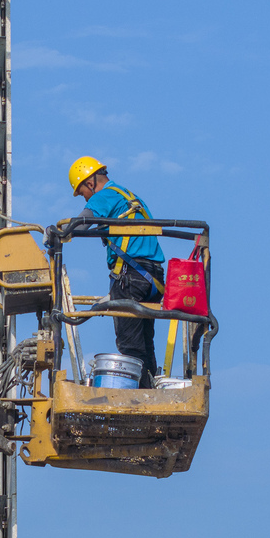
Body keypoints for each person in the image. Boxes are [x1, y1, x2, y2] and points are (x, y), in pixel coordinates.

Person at [68, 156, 164, 387]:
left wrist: (56, 234)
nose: (85, 197)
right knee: (144, 342)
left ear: (90, 182)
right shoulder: (129, 195)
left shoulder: (105, 195)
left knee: (129, 343)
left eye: (83, 192)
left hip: (131, 277)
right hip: (154, 279)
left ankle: (140, 394)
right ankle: (151, 389)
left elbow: (80, 224)